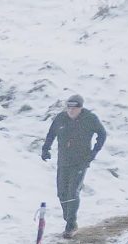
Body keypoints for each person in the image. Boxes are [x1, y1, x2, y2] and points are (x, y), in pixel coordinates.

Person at [40, 94, 108, 234]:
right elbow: (51, 134)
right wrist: (45, 149)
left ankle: (71, 224)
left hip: (81, 161)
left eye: (74, 108)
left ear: (80, 108)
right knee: (62, 193)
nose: (71, 111)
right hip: (63, 160)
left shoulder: (89, 118)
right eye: (68, 108)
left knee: (73, 192)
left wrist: (94, 152)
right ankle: (68, 219)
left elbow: (102, 134)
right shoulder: (61, 118)